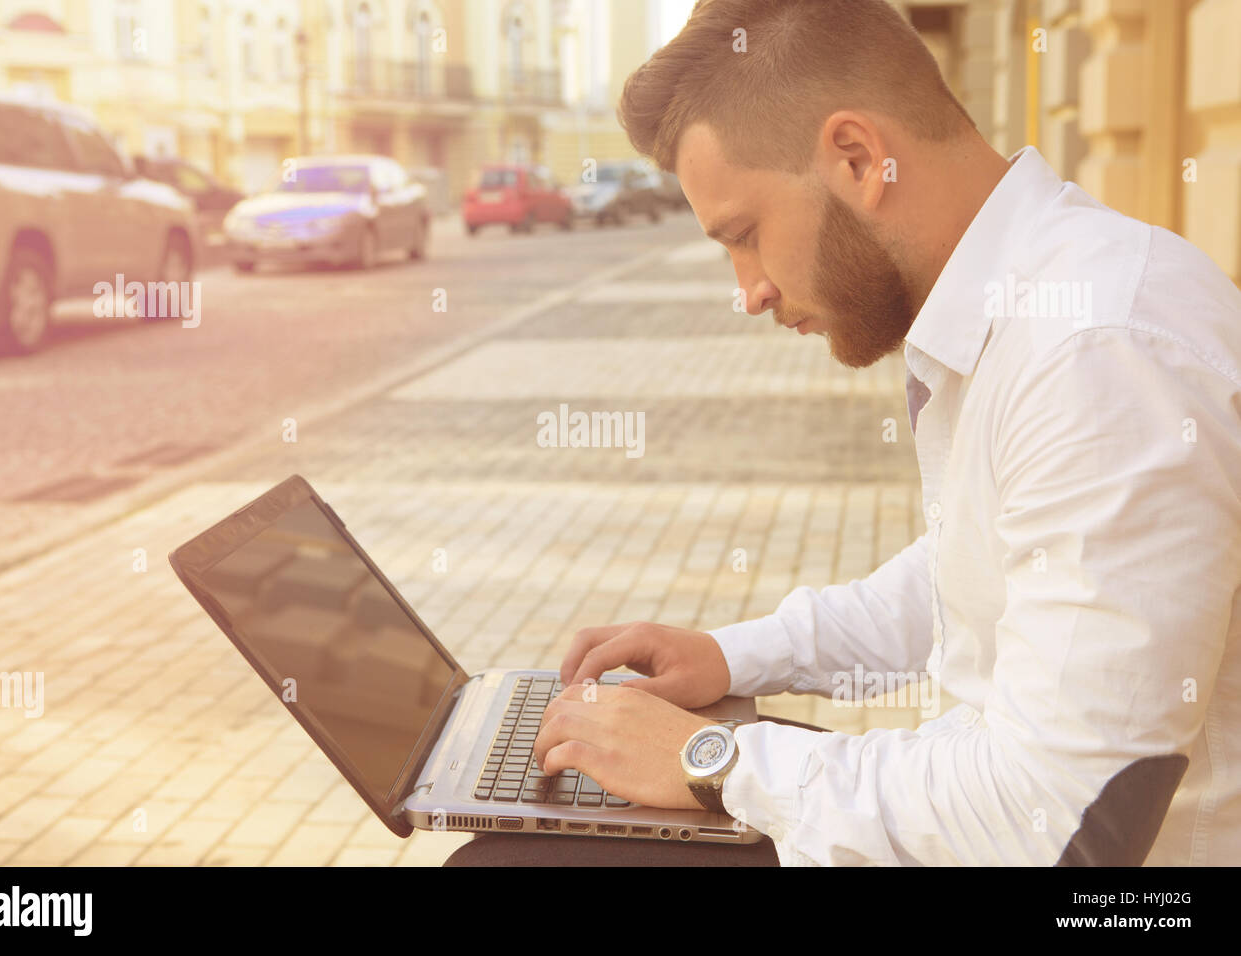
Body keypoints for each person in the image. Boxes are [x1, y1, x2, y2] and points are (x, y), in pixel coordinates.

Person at [446, 0, 1241, 866]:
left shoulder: (1097, 351)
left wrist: (709, 757)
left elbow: (1060, 819)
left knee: (513, 861)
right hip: (994, 810)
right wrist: (732, 657)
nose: (746, 290)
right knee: (555, 829)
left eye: (744, 236)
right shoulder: (1026, 307)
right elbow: (968, 578)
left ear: (858, 159)